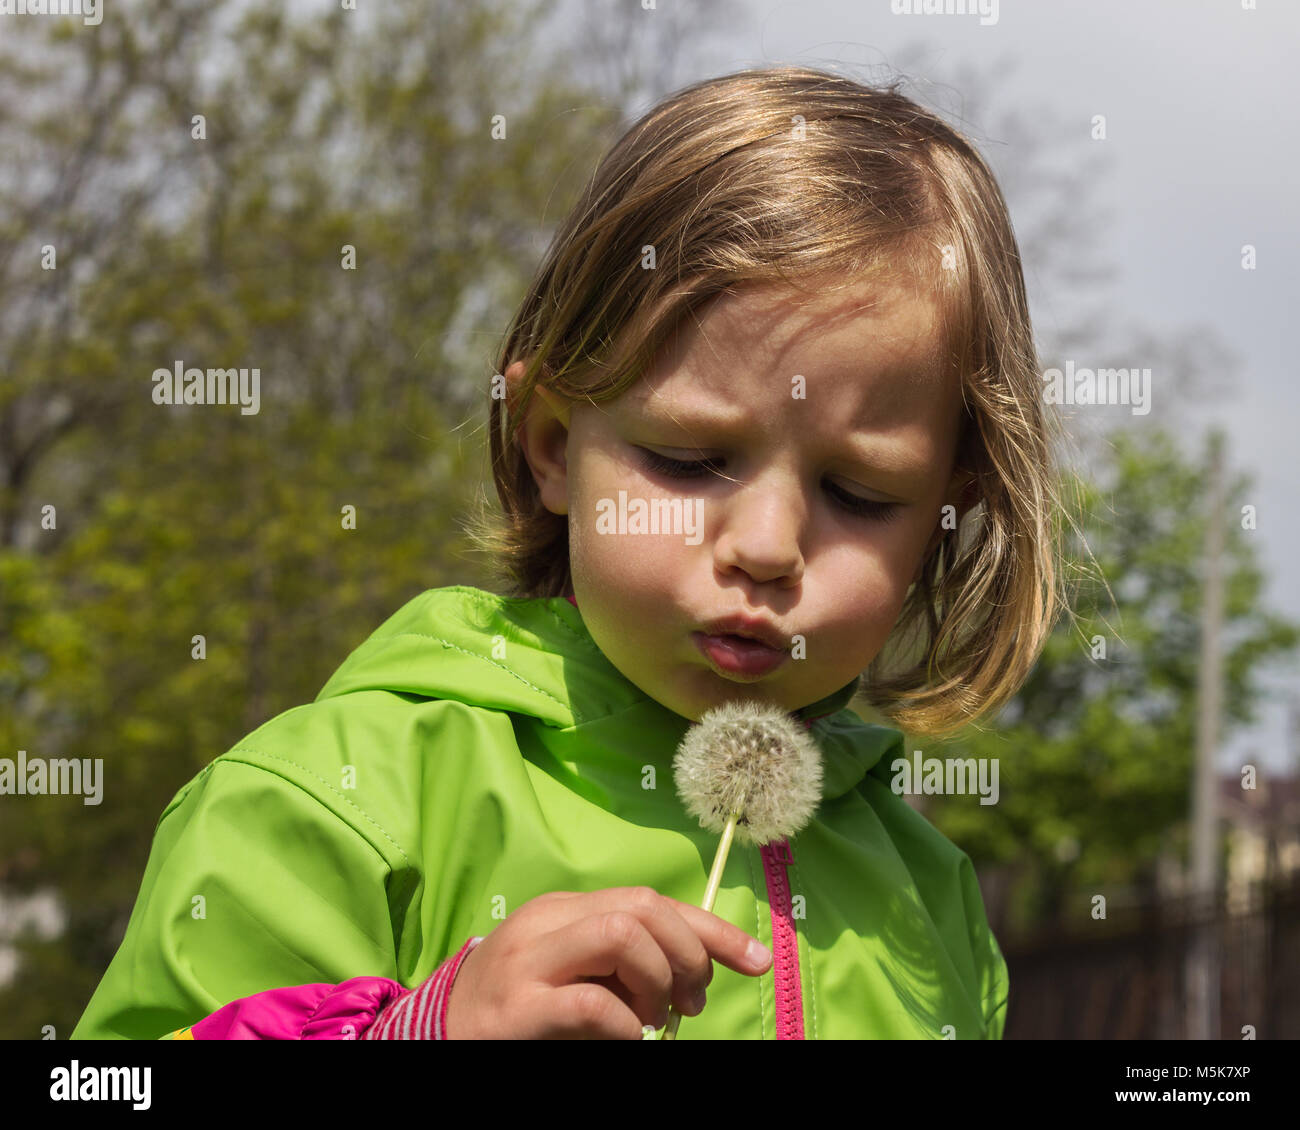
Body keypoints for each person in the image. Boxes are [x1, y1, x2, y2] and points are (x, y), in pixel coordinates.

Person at [71, 65, 1064, 1040]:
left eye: (858, 494)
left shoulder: (929, 900)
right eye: (687, 459)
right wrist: (421, 1031)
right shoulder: (338, 796)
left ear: (948, 510)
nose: (767, 548)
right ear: (551, 445)